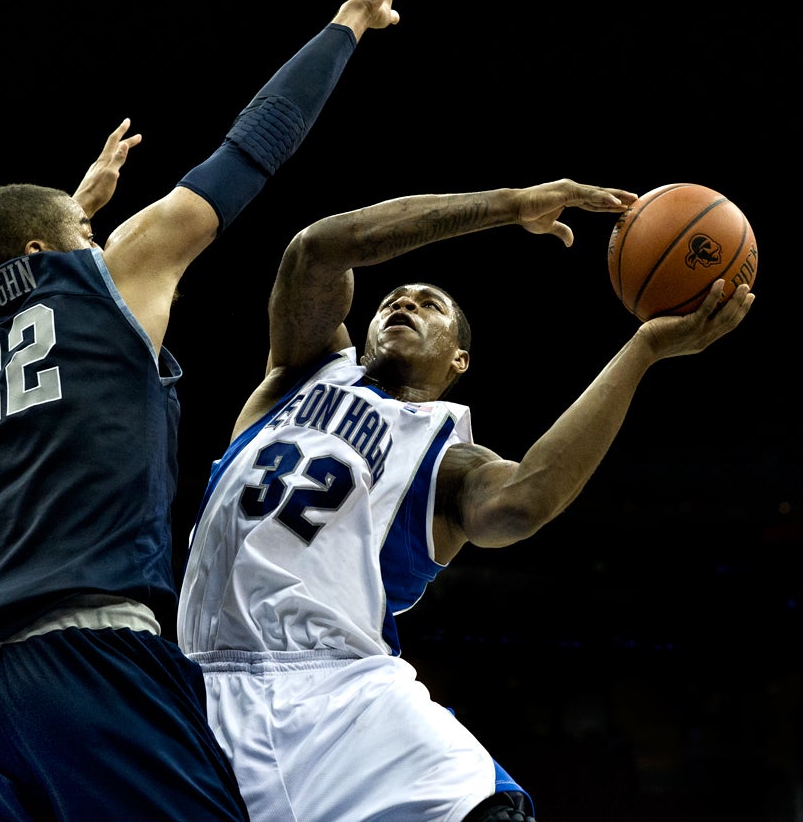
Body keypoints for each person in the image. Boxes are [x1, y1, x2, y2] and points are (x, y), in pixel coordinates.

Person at [0, 0, 437, 820]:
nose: (103, 241)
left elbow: (15, 277)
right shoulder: (112, 275)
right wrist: (350, 18)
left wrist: (67, 210)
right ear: (59, 247)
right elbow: (251, 149)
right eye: (85, 236)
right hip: (85, 653)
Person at [176, 178, 755, 822]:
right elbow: (315, 249)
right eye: (395, 297)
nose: (406, 301)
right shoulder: (297, 373)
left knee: (492, 811)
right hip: (190, 687)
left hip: (341, 695)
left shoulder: (447, 461)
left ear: (459, 360)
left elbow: (524, 502)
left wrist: (642, 349)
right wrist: (510, 207)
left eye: (431, 305)